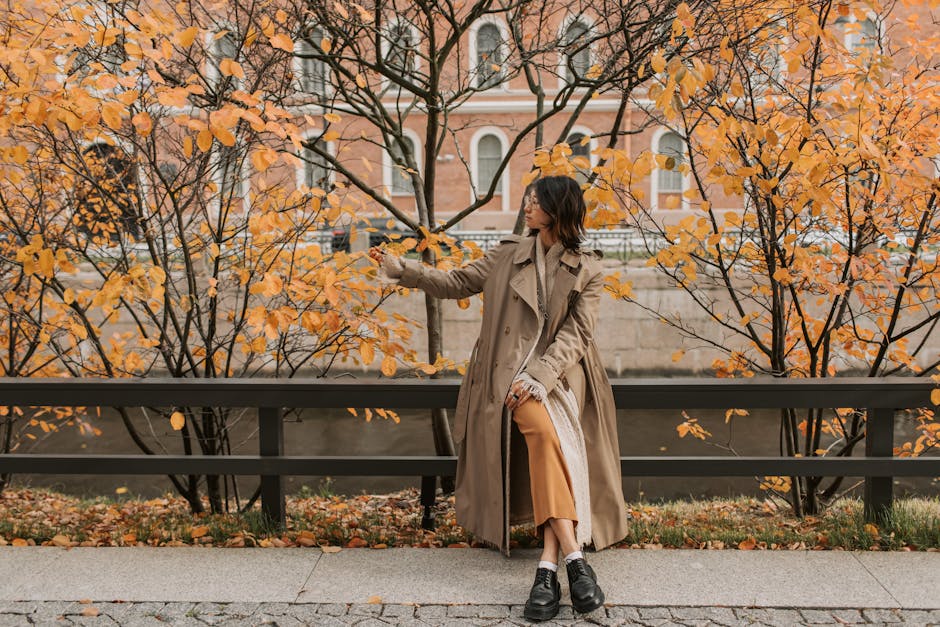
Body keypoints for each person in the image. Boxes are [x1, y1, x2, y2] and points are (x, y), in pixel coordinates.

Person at [369, 175, 627, 621]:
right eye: (527, 197)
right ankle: (576, 562)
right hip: (509, 374)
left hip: (561, 377)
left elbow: (577, 334)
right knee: (544, 436)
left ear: (557, 208)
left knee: (548, 444)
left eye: (535, 199)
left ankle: (551, 567)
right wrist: (403, 269)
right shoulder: (508, 254)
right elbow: (455, 282)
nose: (526, 204)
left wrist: (542, 376)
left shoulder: (589, 267)